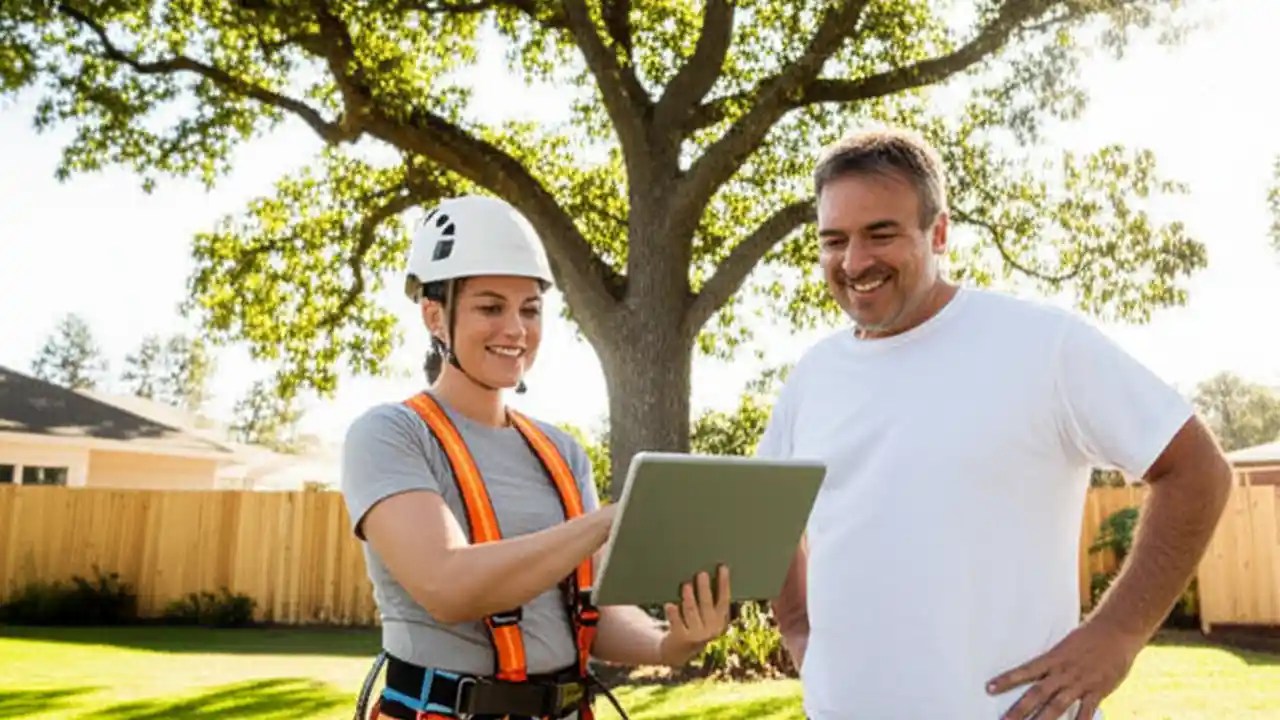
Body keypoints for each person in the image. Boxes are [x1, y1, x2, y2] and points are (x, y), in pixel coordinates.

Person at [764, 128, 1234, 720]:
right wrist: (800, 630)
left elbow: (1199, 471)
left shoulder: (1043, 346)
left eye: (880, 234)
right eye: (834, 241)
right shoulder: (814, 375)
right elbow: (768, 517)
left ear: (938, 233)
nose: (854, 262)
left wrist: (1117, 634)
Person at [340, 195, 732, 720]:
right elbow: (446, 585)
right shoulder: (391, 435)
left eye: (530, 309)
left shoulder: (561, 453)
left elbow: (595, 611)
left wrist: (672, 643)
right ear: (435, 315)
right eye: (490, 307)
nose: (516, 330)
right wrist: (604, 523)